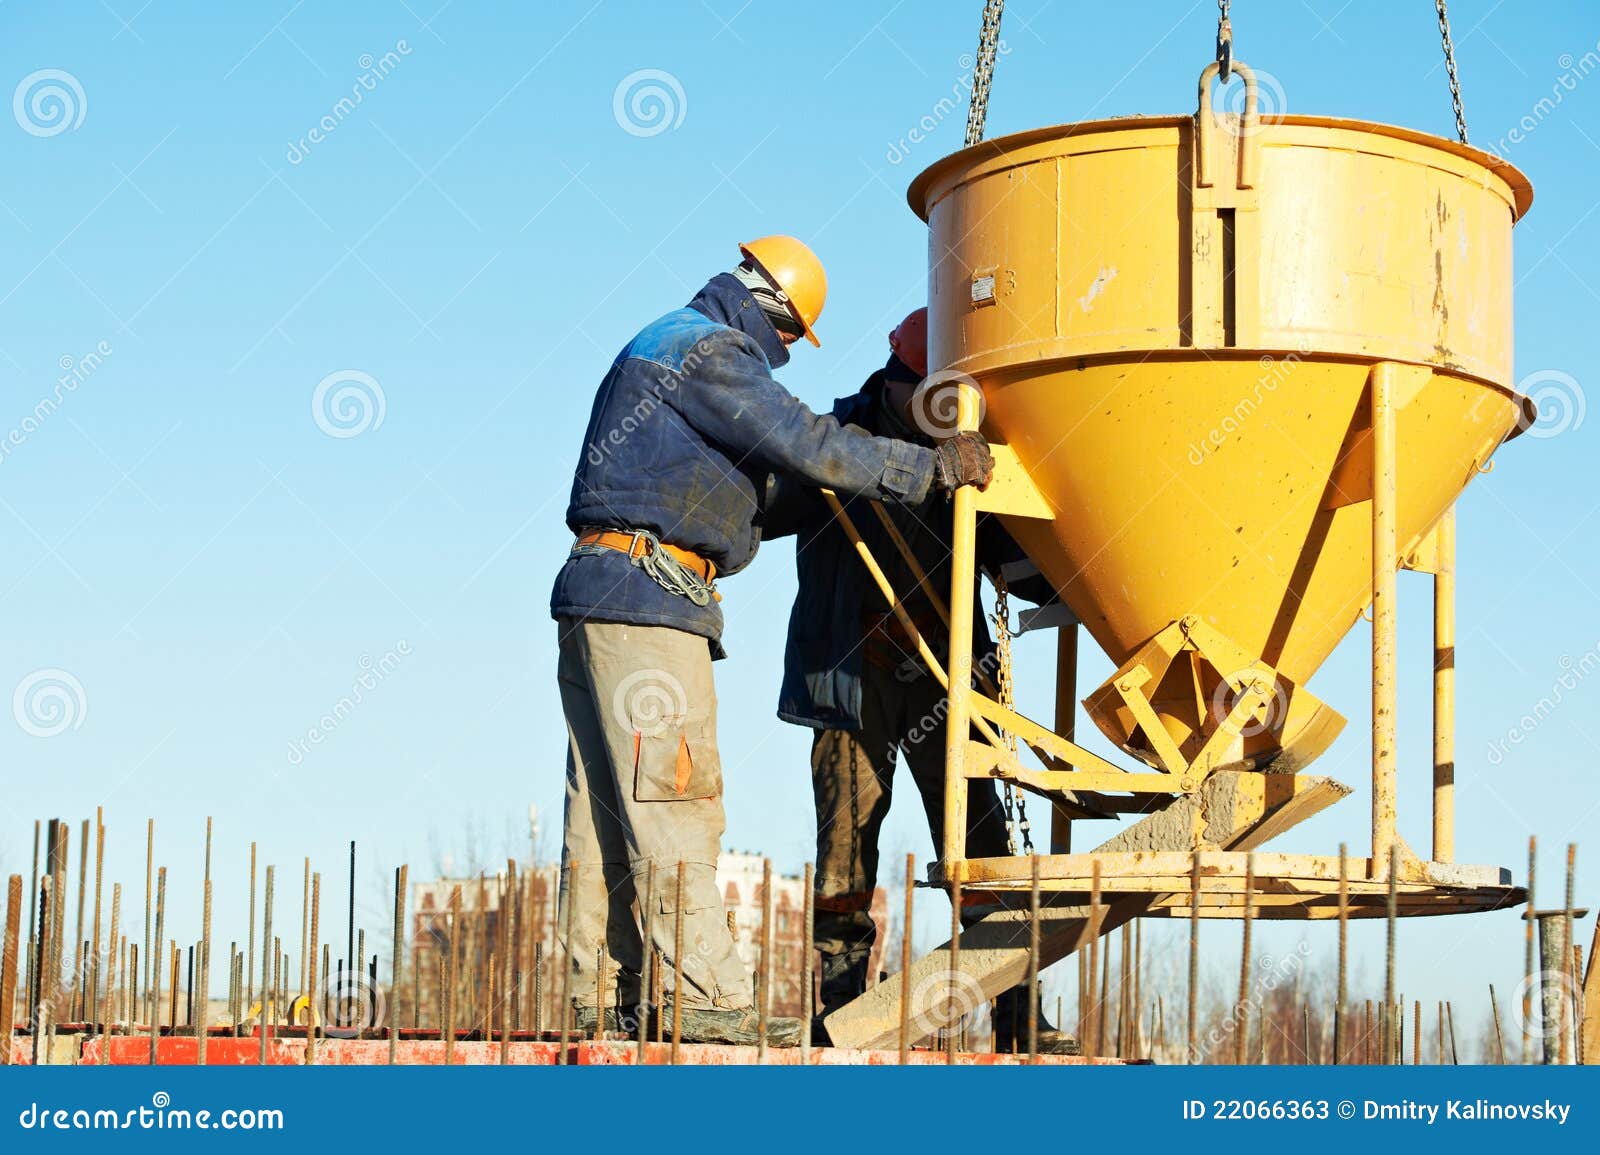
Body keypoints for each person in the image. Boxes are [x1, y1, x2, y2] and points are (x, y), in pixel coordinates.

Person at [550, 243, 996, 1047]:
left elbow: (758, 490)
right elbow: (804, 440)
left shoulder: (661, 343)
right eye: (787, 338)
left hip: (597, 589)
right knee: (674, 797)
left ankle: (603, 991)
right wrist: (926, 471)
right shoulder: (714, 352)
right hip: (650, 599)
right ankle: (707, 995)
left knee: (604, 810)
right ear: (772, 311)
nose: (782, 355)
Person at [770, 307, 1078, 1053]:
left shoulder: (965, 451)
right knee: (845, 852)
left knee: (983, 848)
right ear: (899, 378)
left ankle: (1015, 1013)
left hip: (947, 679)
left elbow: (1015, 554)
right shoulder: (832, 439)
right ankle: (842, 1010)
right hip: (852, 679)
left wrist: (1081, 572)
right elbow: (768, 504)